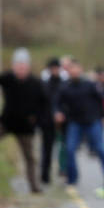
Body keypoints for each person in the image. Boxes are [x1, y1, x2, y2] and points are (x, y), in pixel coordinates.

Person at [0, 48, 46, 193]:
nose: (21, 68)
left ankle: (34, 186)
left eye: (23, 66)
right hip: (6, 122)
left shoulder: (36, 83)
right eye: (18, 65)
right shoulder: (9, 78)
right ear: (13, 66)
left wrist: (36, 119)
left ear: (28, 67)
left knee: (30, 158)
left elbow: (44, 104)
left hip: (26, 127)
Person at [54, 58, 104, 194]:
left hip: (93, 121)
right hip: (75, 122)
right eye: (71, 69)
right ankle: (72, 178)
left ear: (80, 70)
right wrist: (58, 113)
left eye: (76, 68)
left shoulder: (90, 85)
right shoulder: (65, 87)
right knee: (69, 149)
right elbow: (57, 103)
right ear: (69, 71)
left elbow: (101, 100)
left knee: (101, 149)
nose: (74, 71)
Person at [39, 56, 65, 185]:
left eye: (57, 68)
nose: (55, 70)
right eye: (53, 68)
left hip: (63, 122)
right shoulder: (44, 85)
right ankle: (45, 175)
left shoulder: (64, 84)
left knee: (64, 148)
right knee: (47, 150)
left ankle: (65, 172)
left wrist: (62, 114)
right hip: (47, 122)